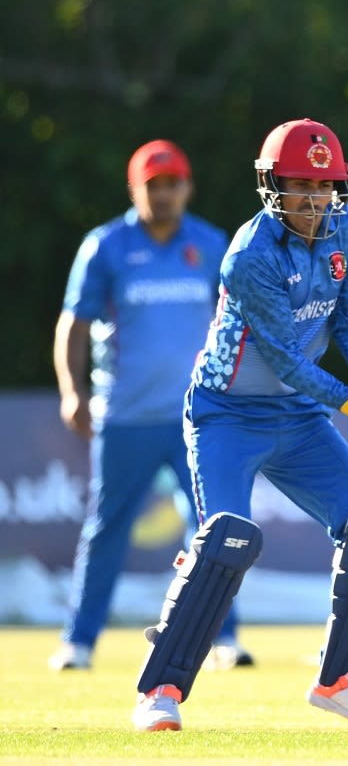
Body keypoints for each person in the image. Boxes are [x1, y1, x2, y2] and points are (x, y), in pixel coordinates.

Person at [129, 118, 348, 731]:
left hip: (299, 416)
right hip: (226, 413)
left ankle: (343, 679)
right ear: (270, 185)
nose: (313, 202)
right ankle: (162, 691)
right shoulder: (248, 257)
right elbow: (284, 357)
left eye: (325, 186)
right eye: (299, 186)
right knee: (225, 540)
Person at [50, 139, 253, 673]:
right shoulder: (106, 246)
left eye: (172, 184)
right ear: (135, 190)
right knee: (107, 529)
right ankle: (79, 641)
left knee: (216, 528)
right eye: (152, 185)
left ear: (187, 187)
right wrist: (73, 391)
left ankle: (224, 639)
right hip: (125, 416)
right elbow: (72, 324)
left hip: (199, 416)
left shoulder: (211, 245)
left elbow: (239, 325)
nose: (163, 194)